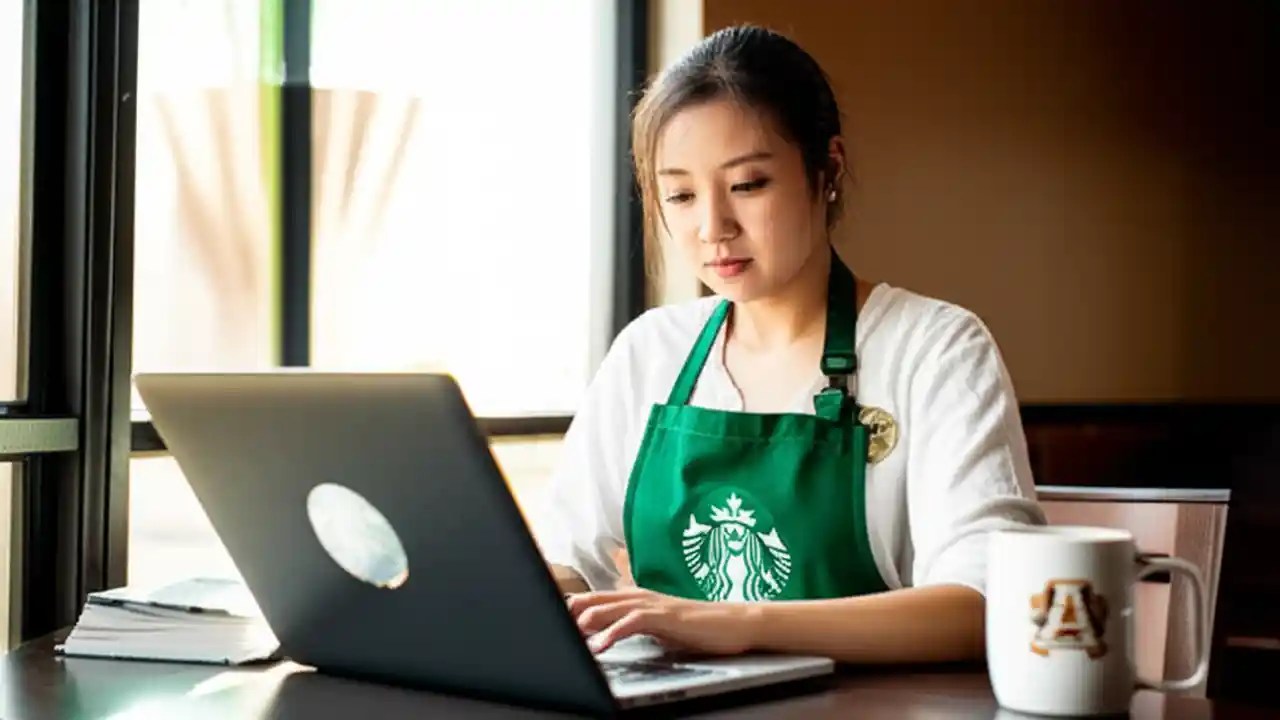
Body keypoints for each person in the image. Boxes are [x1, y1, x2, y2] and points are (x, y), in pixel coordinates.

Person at [530, 24, 1045, 664]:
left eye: (748, 185)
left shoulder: (934, 348)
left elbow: (987, 603)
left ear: (826, 169)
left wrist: (740, 621)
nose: (713, 227)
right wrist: (506, 588)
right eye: (681, 195)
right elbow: (570, 562)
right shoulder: (649, 352)